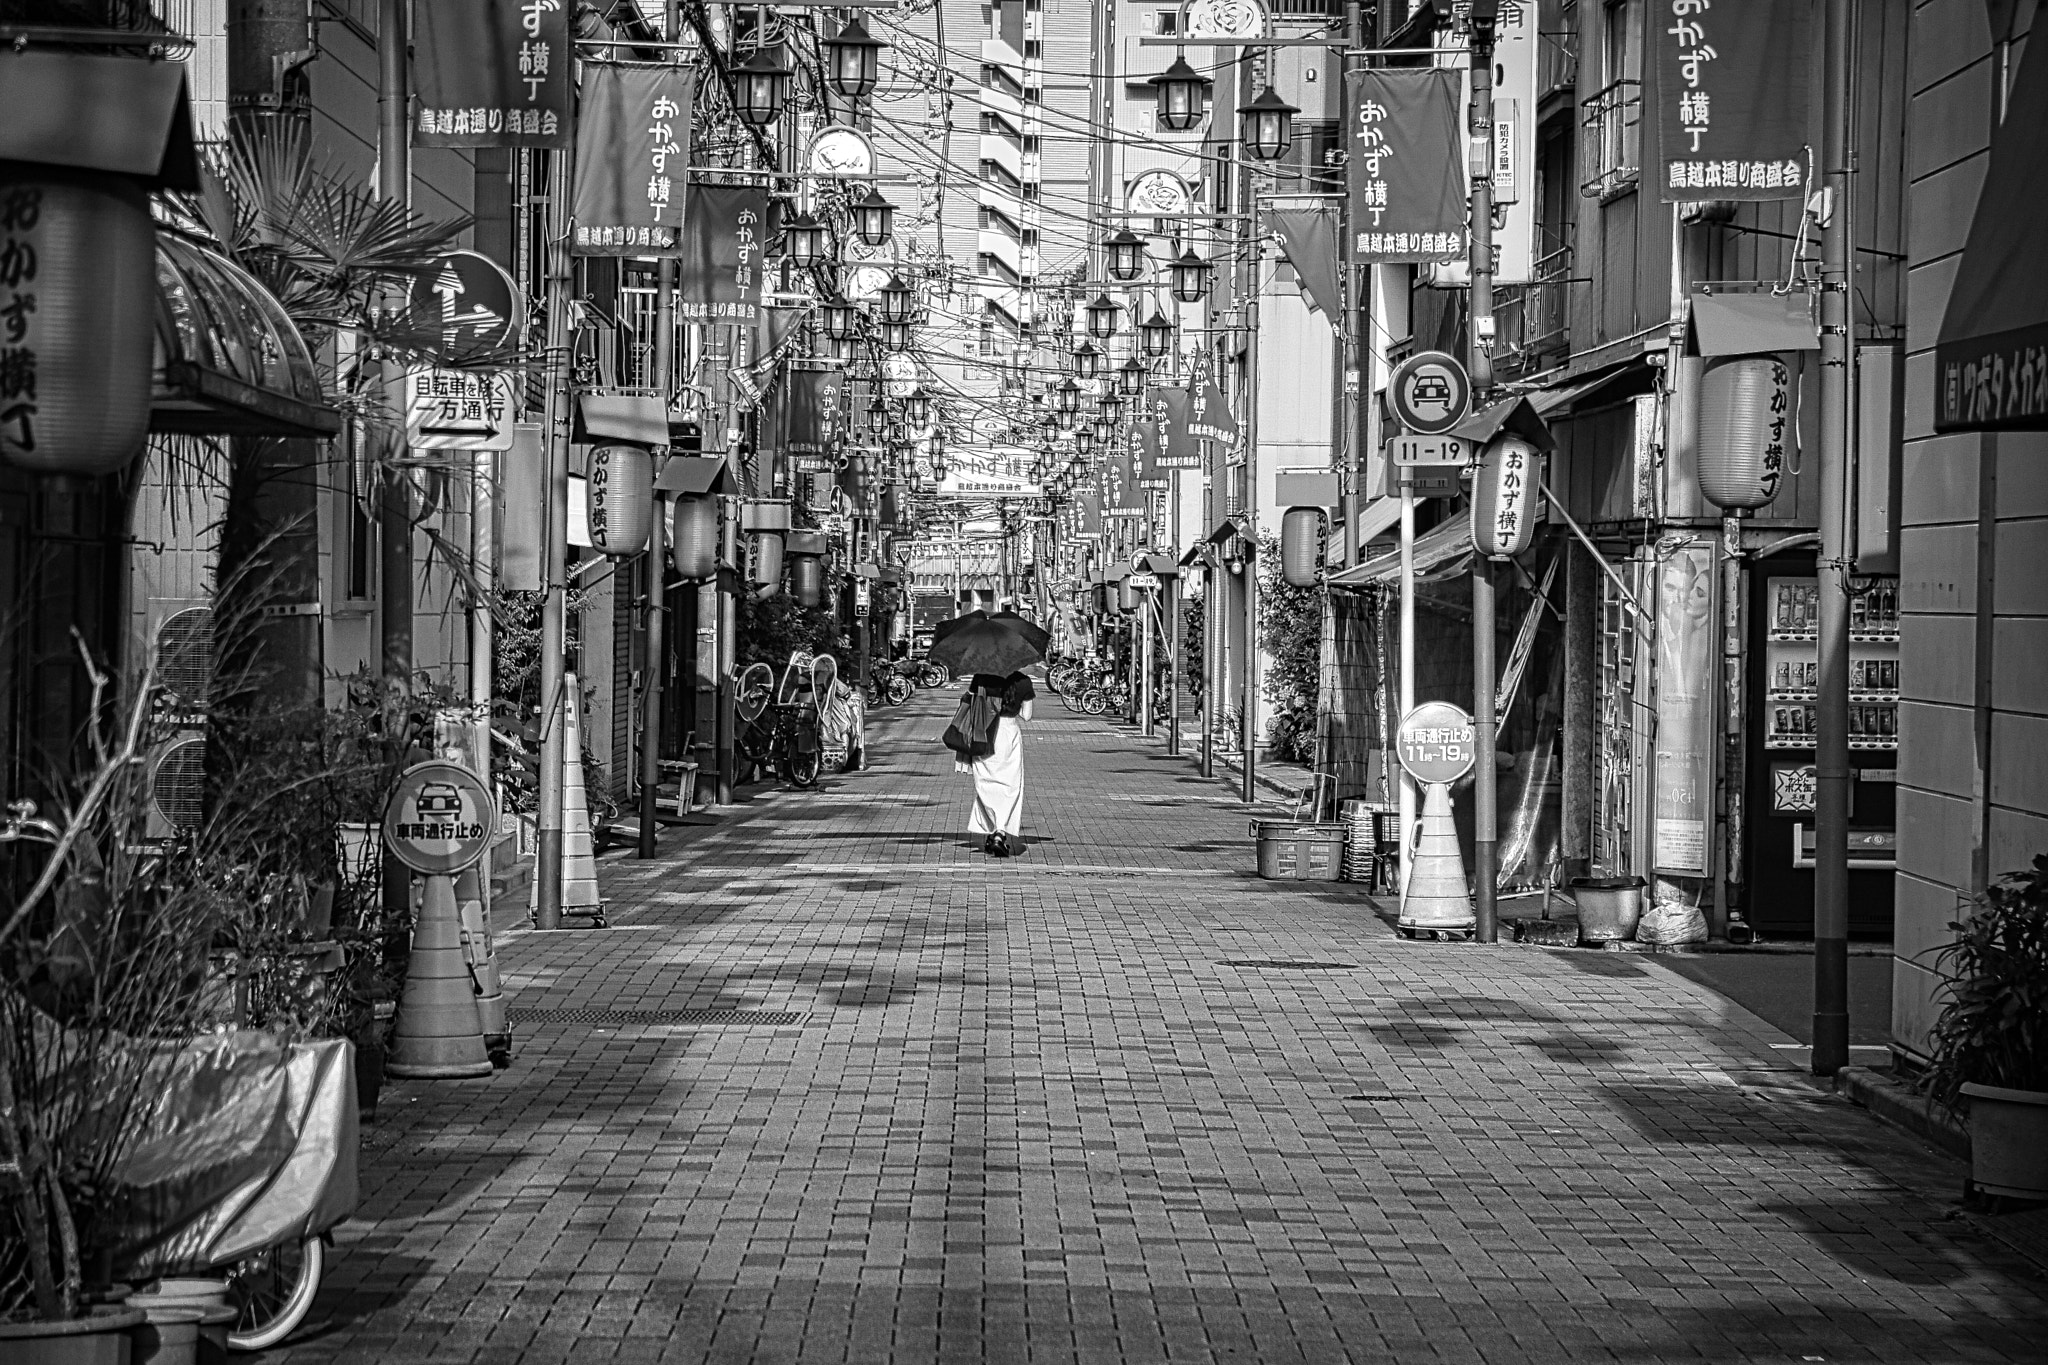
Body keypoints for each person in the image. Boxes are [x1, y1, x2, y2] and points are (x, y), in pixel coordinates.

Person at [958, 669, 1034, 856]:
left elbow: (970, 701)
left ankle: (993, 830)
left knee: (985, 783)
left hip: (983, 733)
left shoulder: (981, 677)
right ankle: (1000, 831)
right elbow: (1027, 715)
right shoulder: (1023, 681)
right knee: (1010, 785)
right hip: (1009, 734)